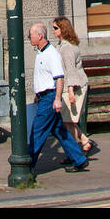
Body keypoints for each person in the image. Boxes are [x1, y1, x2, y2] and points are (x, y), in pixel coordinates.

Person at [27, 22, 88, 173]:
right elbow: (42, 76)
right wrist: (37, 94)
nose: (29, 37)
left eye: (31, 35)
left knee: (37, 131)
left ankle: (27, 166)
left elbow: (59, 78)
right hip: (43, 96)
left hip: (49, 99)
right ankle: (79, 159)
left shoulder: (51, 54)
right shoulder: (40, 52)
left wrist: (57, 99)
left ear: (39, 36)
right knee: (60, 131)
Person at [52, 16, 97, 156]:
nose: (53, 31)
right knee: (67, 120)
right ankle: (83, 142)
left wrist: (70, 91)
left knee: (68, 120)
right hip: (68, 86)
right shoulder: (61, 45)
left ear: (62, 29)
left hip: (75, 86)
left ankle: (75, 151)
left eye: (56, 28)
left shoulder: (67, 48)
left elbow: (70, 70)